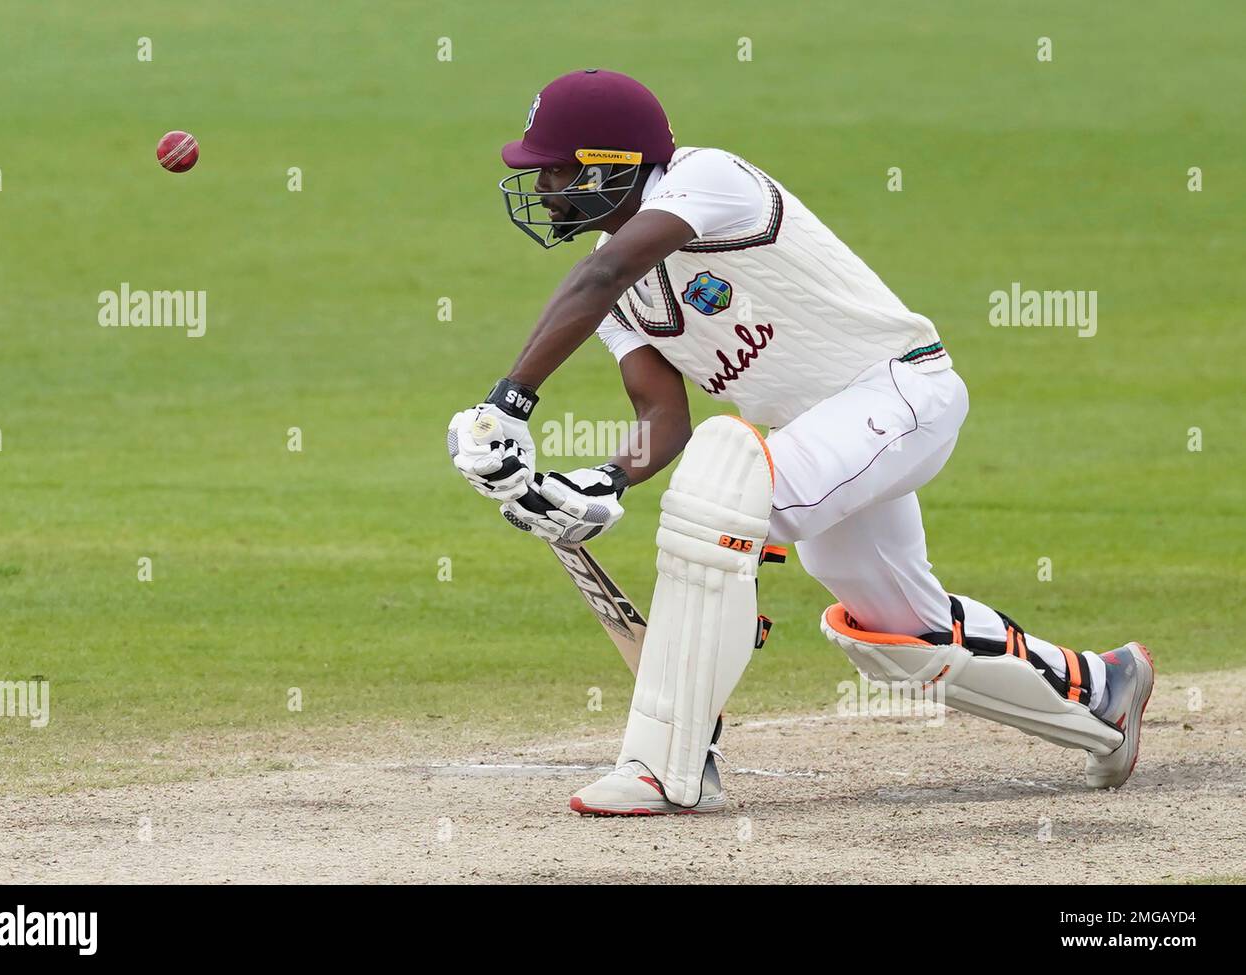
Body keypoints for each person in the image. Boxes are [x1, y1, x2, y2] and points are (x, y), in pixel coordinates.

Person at [447, 69, 1153, 815]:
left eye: (556, 169)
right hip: (824, 437)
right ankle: (1102, 691)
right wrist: (602, 480)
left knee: (723, 506)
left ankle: (672, 761)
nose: (546, 187)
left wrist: (509, 401)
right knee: (897, 629)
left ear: (612, 164)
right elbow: (665, 419)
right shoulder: (614, 288)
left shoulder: (705, 180)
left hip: (899, 392)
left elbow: (604, 273)